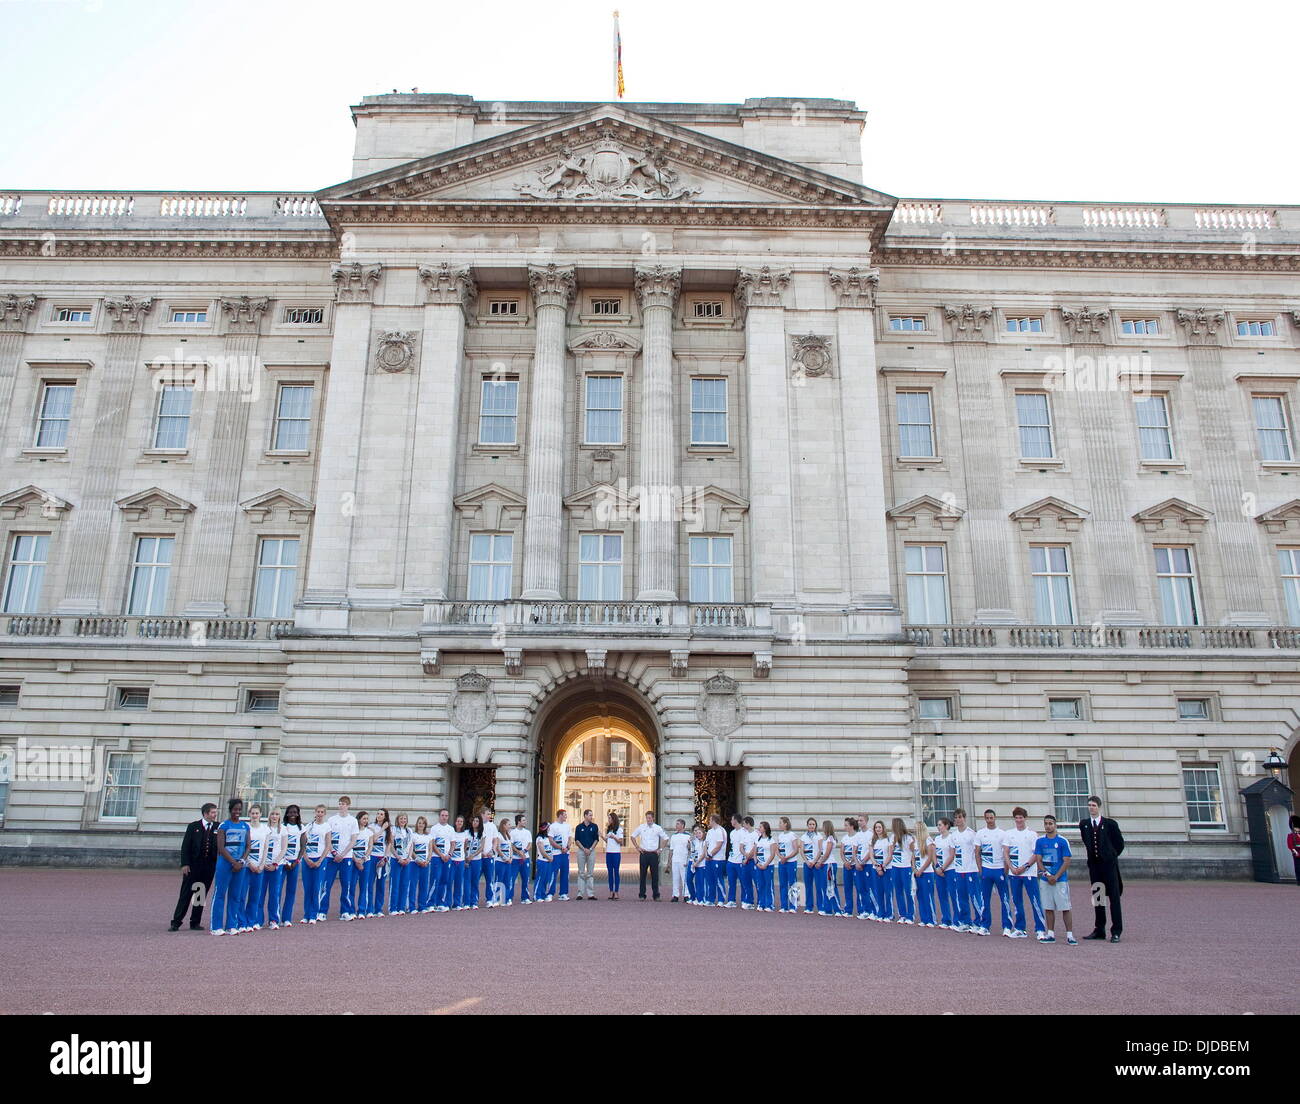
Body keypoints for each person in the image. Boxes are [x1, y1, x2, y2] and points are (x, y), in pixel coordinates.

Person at [1078, 796, 1124, 943]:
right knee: (1098, 899)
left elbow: (1119, 844)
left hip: (1109, 867)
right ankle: (1099, 929)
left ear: (1099, 807)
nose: (1091, 808)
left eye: (1094, 805)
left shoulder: (1110, 824)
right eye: (1089, 805)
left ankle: (1116, 930)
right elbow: (1087, 842)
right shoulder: (1084, 825)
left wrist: (1110, 855)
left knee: (1114, 898)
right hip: (1095, 867)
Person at [170, 802, 218, 932]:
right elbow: (185, 846)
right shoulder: (193, 826)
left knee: (200, 894)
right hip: (193, 866)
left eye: (215, 812)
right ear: (206, 813)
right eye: (213, 812)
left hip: (208, 867)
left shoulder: (218, 827)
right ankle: (176, 921)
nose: (215, 815)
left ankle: (195, 921)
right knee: (186, 894)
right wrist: (185, 863)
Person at [1003, 806, 1045, 940]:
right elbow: (1006, 852)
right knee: (1017, 901)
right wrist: (1011, 868)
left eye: (1021, 817)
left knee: (1035, 900)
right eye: (1016, 818)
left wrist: (1025, 866)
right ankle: (1020, 928)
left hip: (1029, 873)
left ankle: (1040, 929)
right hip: (1014, 873)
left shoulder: (1032, 834)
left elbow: (1035, 854)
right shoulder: (1009, 834)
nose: (1019, 820)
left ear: (1025, 818)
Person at [210, 798, 251, 935]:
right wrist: (233, 862)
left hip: (240, 865)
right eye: (235, 809)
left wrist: (241, 862)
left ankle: (231, 925)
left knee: (236, 895)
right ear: (230, 810)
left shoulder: (245, 826)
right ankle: (216, 926)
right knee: (220, 894)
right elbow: (221, 847)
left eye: (239, 809)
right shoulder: (224, 826)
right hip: (225, 863)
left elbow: (248, 846)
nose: (237, 812)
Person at [1035, 814, 1075, 944]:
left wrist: (1056, 876)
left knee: (1065, 907)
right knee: (1048, 907)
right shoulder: (1040, 841)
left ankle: (1069, 935)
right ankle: (1050, 933)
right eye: (1046, 823)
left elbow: (1067, 860)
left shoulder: (1062, 841)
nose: (1048, 826)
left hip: (1060, 879)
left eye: (1050, 823)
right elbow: (1039, 860)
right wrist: (1047, 875)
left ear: (1055, 825)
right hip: (1046, 879)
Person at [320, 796, 359, 921]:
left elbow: (353, 840)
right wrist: (334, 852)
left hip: (346, 857)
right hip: (332, 857)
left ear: (348, 806)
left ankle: (345, 911)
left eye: (344, 804)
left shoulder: (353, 821)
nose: (342, 806)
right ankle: (322, 911)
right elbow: (328, 839)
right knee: (327, 884)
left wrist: (343, 854)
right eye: (340, 803)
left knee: (346, 885)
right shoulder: (331, 820)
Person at [974, 808, 1011, 936]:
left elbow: (1006, 852)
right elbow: (977, 852)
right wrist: (980, 869)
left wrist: (1006, 869)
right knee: (985, 899)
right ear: (985, 819)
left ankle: (1007, 926)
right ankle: (985, 925)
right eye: (987, 818)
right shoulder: (980, 833)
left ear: (995, 818)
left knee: (1004, 898)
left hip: (999, 868)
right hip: (986, 869)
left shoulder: (1002, 833)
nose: (989, 820)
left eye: (991, 818)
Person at [949, 809, 981, 934]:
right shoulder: (954, 835)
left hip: (971, 869)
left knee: (975, 896)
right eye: (956, 817)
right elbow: (953, 853)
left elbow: (977, 851)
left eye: (960, 817)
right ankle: (965, 921)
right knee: (961, 897)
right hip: (959, 869)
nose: (958, 820)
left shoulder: (972, 834)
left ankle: (978, 921)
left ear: (964, 818)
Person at [274, 804, 304, 927]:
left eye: (295, 812)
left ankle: (287, 918)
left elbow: (303, 846)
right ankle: (276, 916)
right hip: (282, 863)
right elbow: (279, 846)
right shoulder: (282, 827)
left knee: (291, 891)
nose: (293, 815)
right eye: (290, 812)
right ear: (286, 814)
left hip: (295, 863)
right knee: (277, 890)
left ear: (298, 814)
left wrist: (297, 861)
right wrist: (285, 861)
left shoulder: (301, 827)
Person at [241, 804, 270, 931]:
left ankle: (252, 921)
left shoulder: (265, 829)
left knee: (255, 896)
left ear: (260, 814)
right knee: (242, 895)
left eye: (257, 813)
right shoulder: (245, 828)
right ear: (249, 814)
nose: (254, 815)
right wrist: (249, 863)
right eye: (252, 813)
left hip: (259, 867)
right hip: (247, 866)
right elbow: (243, 847)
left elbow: (265, 848)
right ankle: (242, 922)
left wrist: (262, 864)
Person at [302, 804, 330, 923]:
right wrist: (306, 858)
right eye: (317, 812)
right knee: (307, 887)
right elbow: (302, 844)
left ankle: (314, 914)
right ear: (315, 812)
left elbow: (328, 845)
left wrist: (320, 860)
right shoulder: (308, 826)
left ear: (324, 814)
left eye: (321, 812)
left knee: (316, 887)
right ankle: (306, 914)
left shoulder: (326, 827)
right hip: (307, 859)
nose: (319, 814)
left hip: (320, 860)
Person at [633, 811, 667, 901]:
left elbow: (666, 838)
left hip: (653, 854)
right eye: (647, 818)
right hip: (644, 853)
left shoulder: (658, 828)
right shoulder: (641, 827)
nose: (648, 819)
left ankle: (656, 895)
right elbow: (632, 836)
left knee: (655, 875)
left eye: (650, 818)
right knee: (642, 875)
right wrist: (637, 847)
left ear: (653, 818)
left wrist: (660, 849)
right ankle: (642, 894)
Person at [887, 817, 915, 924]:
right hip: (895, 866)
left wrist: (913, 866)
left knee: (908, 891)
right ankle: (902, 914)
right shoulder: (892, 837)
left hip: (906, 866)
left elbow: (913, 853)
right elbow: (890, 853)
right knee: (898, 891)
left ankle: (910, 915)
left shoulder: (908, 838)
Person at [932, 817, 957, 930]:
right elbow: (934, 854)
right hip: (938, 870)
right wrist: (937, 866)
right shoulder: (937, 839)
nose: (938, 827)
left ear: (946, 826)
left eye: (940, 824)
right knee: (942, 895)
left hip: (950, 869)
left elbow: (952, 855)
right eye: (937, 825)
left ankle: (957, 920)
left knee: (953, 895)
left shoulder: (951, 838)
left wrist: (943, 868)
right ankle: (946, 919)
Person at [912, 819, 936, 927]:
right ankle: (924, 918)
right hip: (917, 872)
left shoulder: (928, 840)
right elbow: (913, 857)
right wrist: (914, 869)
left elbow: (930, 858)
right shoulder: (915, 842)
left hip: (926, 872)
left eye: (916, 828)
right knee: (920, 896)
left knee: (928, 896)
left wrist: (921, 869)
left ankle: (931, 919)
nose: (914, 830)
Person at [430, 809, 455, 912]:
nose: (444, 817)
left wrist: (449, 854)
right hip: (437, 858)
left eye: (446, 815)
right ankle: (431, 903)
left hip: (447, 858)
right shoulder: (434, 828)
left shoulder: (451, 829)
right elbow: (433, 843)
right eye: (443, 815)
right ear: (439, 816)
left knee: (445, 880)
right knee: (435, 879)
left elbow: (453, 843)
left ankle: (441, 902)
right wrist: (441, 855)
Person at [350, 810, 373, 920]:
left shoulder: (369, 832)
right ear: (358, 819)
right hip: (354, 861)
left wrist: (363, 859)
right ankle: (351, 910)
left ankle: (362, 910)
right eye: (363, 818)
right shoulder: (353, 831)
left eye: (367, 819)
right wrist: (356, 860)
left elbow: (370, 847)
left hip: (365, 861)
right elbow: (350, 845)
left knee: (364, 886)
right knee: (352, 886)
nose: (365, 821)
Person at [389, 812, 412, 914]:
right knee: (395, 884)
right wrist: (398, 858)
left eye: (404, 819)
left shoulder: (409, 831)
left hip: (406, 860)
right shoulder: (393, 829)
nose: (403, 820)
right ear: (397, 820)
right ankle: (393, 908)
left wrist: (408, 858)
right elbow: (391, 845)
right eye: (401, 819)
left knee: (404, 884)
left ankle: (401, 907)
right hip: (396, 859)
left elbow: (411, 845)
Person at [574, 809, 600, 900]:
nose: (591, 817)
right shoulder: (578, 827)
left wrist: (590, 849)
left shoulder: (595, 826)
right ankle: (580, 893)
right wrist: (584, 849)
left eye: (591, 815)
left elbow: (596, 839)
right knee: (581, 872)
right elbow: (576, 840)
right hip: (581, 851)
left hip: (591, 851)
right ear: (585, 816)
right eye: (589, 815)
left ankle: (590, 894)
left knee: (590, 873)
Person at [776, 816, 799, 913]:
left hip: (791, 862)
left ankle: (793, 906)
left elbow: (796, 849)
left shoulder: (792, 835)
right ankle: (784, 905)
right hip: (782, 862)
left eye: (781, 823)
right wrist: (781, 857)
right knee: (783, 884)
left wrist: (787, 857)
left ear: (786, 824)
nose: (779, 824)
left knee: (792, 884)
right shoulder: (780, 835)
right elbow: (777, 848)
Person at [410, 816, 433, 912]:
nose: (421, 825)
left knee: (424, 885)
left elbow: (430, 850)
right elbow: (411, 850)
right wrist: (417, 860)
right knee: (413, 885)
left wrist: (427, 861)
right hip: (415, 863)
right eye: (419, 823)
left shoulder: (429, 836)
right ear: (417, 824)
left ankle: (422, 906)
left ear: (425, 825)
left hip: (426, 864)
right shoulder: (413, 835)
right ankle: (411, 906)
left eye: (423, 823)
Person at [704, 814, 728, 906]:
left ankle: (721, 899)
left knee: (718, 879)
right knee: (710, 879)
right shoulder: (710, 831)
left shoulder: (721, 830)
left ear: (713, 820)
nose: (708, 822)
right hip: (709, 859)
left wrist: (710, 854)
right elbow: (706, 844)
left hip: (718, 859)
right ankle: (711, 899)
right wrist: (706, 854)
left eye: (709, 820)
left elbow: (719, 845)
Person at [869, 820, 890, 922]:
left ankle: (889, 914)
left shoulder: (888, 840)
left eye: (879, 827)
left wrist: (882, 866)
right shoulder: (873, 840)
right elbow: (871, 855)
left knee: (887, 892)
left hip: (886, 869)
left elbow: (890, 855)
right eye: (876, 827)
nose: (878, 829)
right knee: (878, 892)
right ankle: (880, 913)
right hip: (875, 869)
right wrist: (876, 866)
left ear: (883, 828)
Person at [491, 816, 515, 906]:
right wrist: (505, 858)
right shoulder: (498, 835)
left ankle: (505, 899)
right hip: (500, 861)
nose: (510, 826)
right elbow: (497, 848)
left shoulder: (509, 836)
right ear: (503, 825)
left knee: (507, 880)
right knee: (499, 880)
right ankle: (496, 899)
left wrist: (511, 858)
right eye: (508, 824)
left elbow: (510, 848)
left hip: (508, 862)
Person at [550, 809, 573, 900]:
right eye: (564, 815)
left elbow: (570, 837)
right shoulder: (553, 826)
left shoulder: (568, 826)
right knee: (553, 873)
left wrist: (567, 847)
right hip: (556, 853)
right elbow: (551, 840)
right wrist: (560, 848)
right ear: (560, 815)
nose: (566, 816)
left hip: (565, 853)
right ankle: (550, 893)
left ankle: (563, 893)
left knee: (565, 873)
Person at [800, 817, 820, 914]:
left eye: (813, 824)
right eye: (810, 824)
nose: (811, 826)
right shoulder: (803, 837)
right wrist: (807, 861)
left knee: (819, 885)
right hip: (807, 864)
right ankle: (809, 907)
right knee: (808, 886)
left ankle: (821, 907)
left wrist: (815, 861)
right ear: (807, 825)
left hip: (816, 864)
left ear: (815, 826)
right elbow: (802, 851)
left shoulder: (819, 836)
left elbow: (820, 850)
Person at [754, 822, 776, 912]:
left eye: (760, 827)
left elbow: (772, 854)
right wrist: (757, 863)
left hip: (768, 866)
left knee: (768, 885)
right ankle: (761, 903)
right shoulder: (757, 840)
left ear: (765, 828)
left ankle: (769, 904)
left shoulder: (771, 840)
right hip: (759, 866)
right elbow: (755, 853)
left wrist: (766, 864)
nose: (759, 828)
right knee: (760, 885)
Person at [450, 814, 470, 910]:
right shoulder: (451, 831)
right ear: (455, 822)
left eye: (461, 822)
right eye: (458, 821)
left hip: (461, 860)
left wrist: (465, 859)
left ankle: (457, 903)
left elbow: (465, 847)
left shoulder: (465, 834)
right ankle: (447, 903)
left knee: (458, 882)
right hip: (452, 860)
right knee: (449, 882)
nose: (459, 823)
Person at [511, 816, 533, 904]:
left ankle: (525, 897)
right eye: (523, 820)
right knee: (512, 879)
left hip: (525, 858)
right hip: (515, 859)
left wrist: (524, 851)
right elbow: (511, 844)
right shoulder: (512, 832)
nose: (525, 822)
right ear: (518, 821)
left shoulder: (527, 832)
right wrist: (518, 852)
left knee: (525, 879)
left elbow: (530, 843)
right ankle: (509, 897)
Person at [839, 818, 859, 917]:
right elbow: (842, 852)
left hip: (855, 865)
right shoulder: (844, 838)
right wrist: (845, 862)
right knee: (847, 887)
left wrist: (851, 861)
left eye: (846, 825)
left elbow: (856, 851)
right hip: (846, 866)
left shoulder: (857, 837)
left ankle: (861, 909)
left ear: (851, 826)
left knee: (859, 887)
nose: (845, 827)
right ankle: (848, 909)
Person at [726, 815, 747, 908]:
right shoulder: (732, 832)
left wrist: (744, 858)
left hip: (740, 861)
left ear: (735, 820)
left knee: (743, 882)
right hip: (731, 860)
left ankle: (745, 900)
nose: (731, 821)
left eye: (732, 819)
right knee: (731, 882)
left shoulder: (744, 832)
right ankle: (731, 900)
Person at [669, 819, 691, 902]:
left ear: (682, 825)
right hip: (675, 859)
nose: (676, 826)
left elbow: (690, 850)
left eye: (678, 824)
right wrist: (669, 862)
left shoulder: (688, 836)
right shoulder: (673, 836)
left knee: (684, 878)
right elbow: (671, 850)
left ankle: (686, 895)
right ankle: (675, 895)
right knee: (675, 878)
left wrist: (688, 860)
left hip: (683, 859)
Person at [602, 812, 623, 900]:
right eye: (608, 818)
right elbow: (607, 841)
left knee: (616, 872)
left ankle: (617, 892)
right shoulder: (609, 829)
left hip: (616, 853)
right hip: (609, 853)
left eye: (610, 818)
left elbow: (620, 841)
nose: (608, 820)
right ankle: (611, 891)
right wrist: (601, 836)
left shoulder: (619, 829)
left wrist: (613, 836)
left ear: (614, 819)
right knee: (610, 872)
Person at [739, 816, 759, 910]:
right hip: (745, 860)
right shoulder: (745, 834)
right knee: (746, 881)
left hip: (752, 860)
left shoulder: (756, 834)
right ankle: (749, 901)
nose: (743, 825)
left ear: (748, 823)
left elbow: (755, 848)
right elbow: (741, 847)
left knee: (757, 881)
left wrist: (747, 857)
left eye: (744, 823)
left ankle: (760, 901)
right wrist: (745, 855)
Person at [533, 821, 556, 902]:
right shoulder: (539, 838)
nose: (550, 829)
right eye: (549, 827)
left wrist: (551, 857)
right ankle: (537, 895)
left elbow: (551, 849)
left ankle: (543, 894)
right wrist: (549, 858)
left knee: (546, 878)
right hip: (542, 860)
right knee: (540, 878)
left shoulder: (548, 838)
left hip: (549, 861)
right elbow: (542, 851)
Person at [466, 815, 485, 909]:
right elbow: (464, 845)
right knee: (467, 881)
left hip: (477, 860)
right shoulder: (467, 833)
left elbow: (481, 847)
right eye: (473, 821)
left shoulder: (482, 834)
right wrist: (467, 857)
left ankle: (474, 901)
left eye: (477, 821)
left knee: (475, 881)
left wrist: (473, 855)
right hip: (467, 860)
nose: (475, 823)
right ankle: (466, 901)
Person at [688, 824, 707, 904]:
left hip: (700, 863)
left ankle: (701, 898)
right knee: (688, 879)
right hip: (692, 861)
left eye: (698, 832)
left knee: (699, 882)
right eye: (695, 831)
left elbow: (703, 854)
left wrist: (697, 862)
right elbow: (690, 850)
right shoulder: (693, 840)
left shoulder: (704, 842)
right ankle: (693, 897)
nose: (696, 833)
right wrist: (690, 842)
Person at [1288, 815, 1300, 886]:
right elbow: (1290, 845)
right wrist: (1295, 852)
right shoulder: (1291, 835)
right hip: (1297, 852)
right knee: (1298, 867)